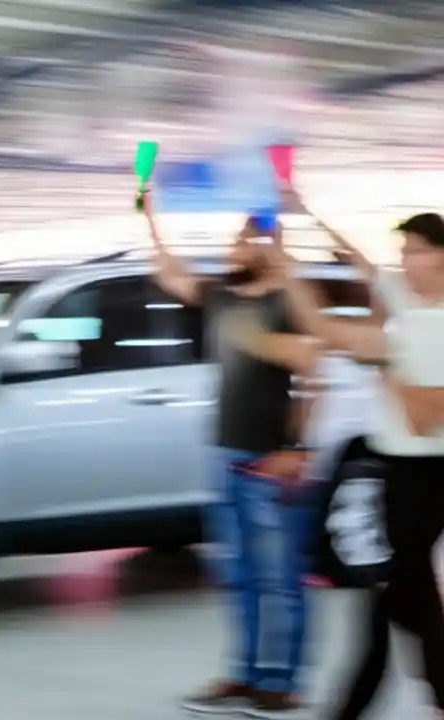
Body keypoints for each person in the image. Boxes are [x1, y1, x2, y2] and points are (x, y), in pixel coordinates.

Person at [142, 195, 316, 717]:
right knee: (239, 575)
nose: (232, 246)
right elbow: (170, 271)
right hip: (226, 456)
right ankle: (244, 676)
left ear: (267, 248)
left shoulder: (286, 301)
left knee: (279, 579)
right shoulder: (220, 296)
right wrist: (148, 213)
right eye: (235, 238)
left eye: (244, 239)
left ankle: (280, 683)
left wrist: (295, 449)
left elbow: (314, 381)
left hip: (269, 462)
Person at [270, 211, 444, 720]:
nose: (403, 259)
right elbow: (331, 314)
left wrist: (385, 364)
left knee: (395, 597)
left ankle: (352, 709)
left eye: (414, 249)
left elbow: (422, 420)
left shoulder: (433, 327)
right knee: (397, 598)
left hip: (427, 475)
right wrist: (289, 262)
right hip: (396, 471)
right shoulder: (409, 307)